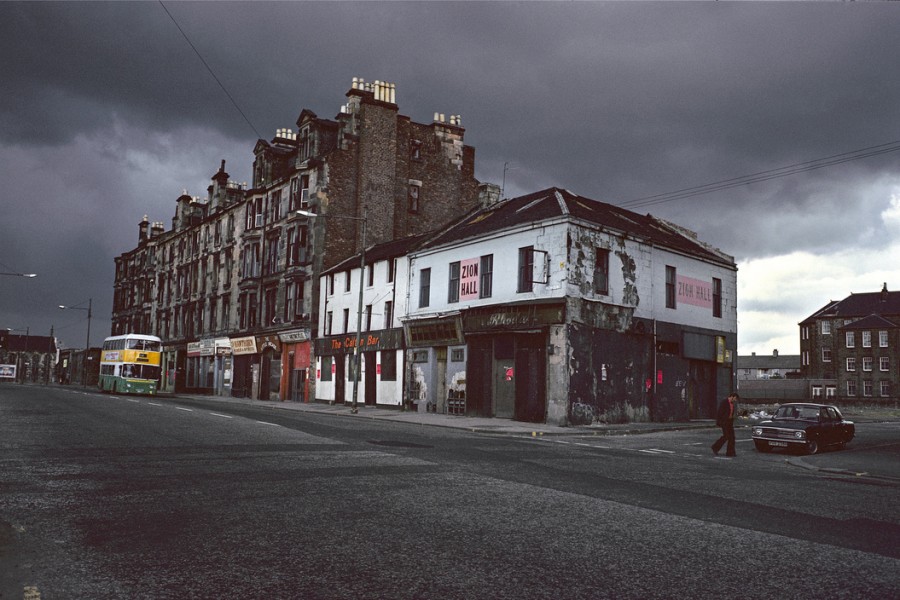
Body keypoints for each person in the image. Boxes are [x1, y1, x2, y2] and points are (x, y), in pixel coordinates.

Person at [711, 393, 739, 457]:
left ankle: (730, 452)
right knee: (726, 436)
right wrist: (719, 422)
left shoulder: (732, 404)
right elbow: (719, 412)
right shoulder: (724, 402)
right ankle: (715, 447)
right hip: (724, 422)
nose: (735, 400)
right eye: (735, 398)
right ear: (732, 397)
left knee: (732, 437)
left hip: (729, 422)